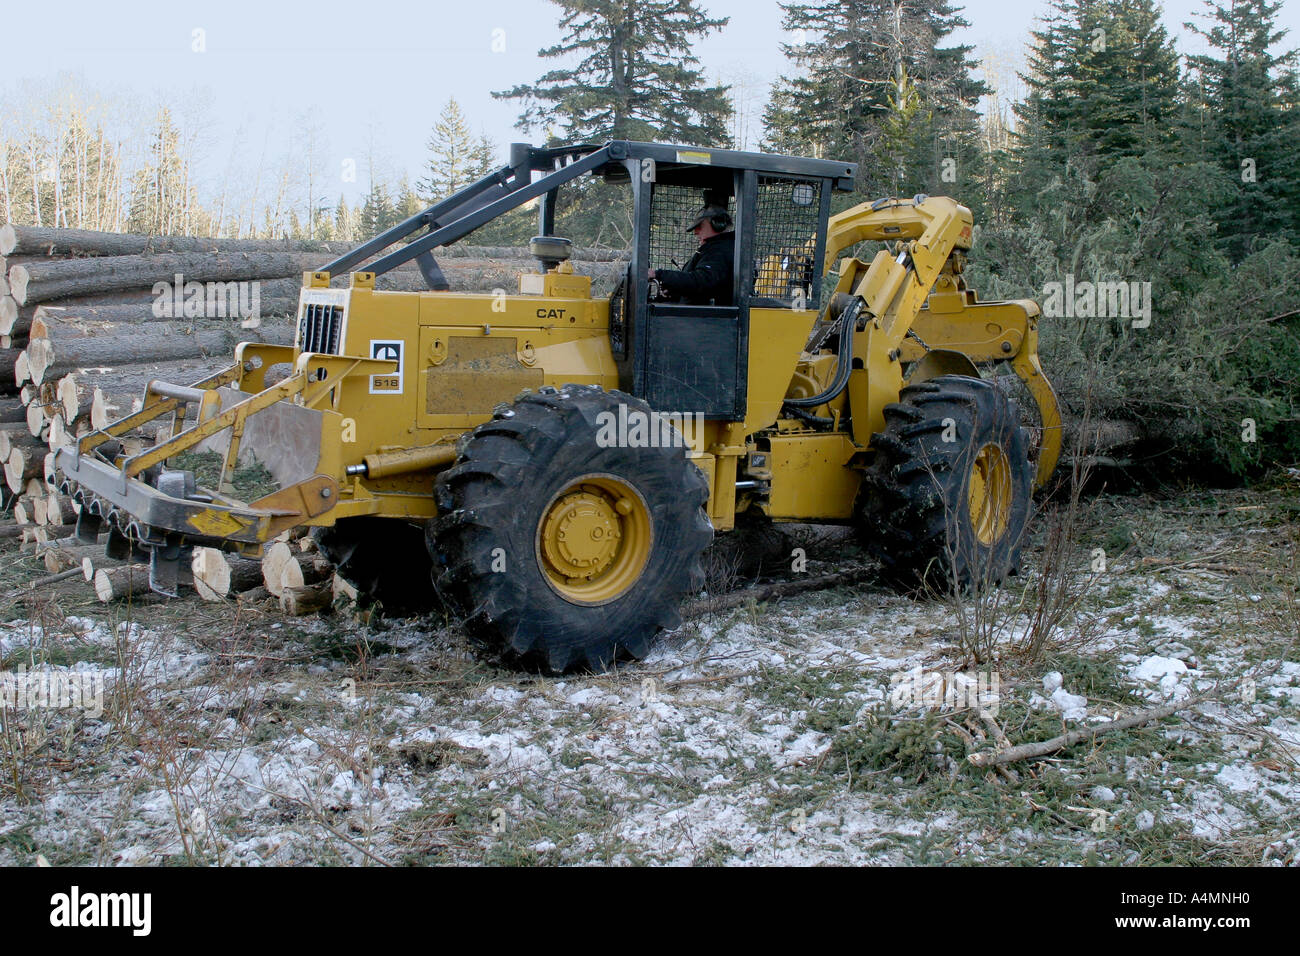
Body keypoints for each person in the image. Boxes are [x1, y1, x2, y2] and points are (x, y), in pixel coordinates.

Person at [649, 204, 735, 306]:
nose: (695, 232)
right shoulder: (713, 249)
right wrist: (676, 289)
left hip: (705, 319)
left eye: (699, 226)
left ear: (718, 224)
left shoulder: (720, 252)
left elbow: (701, 282)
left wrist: (658, 274)